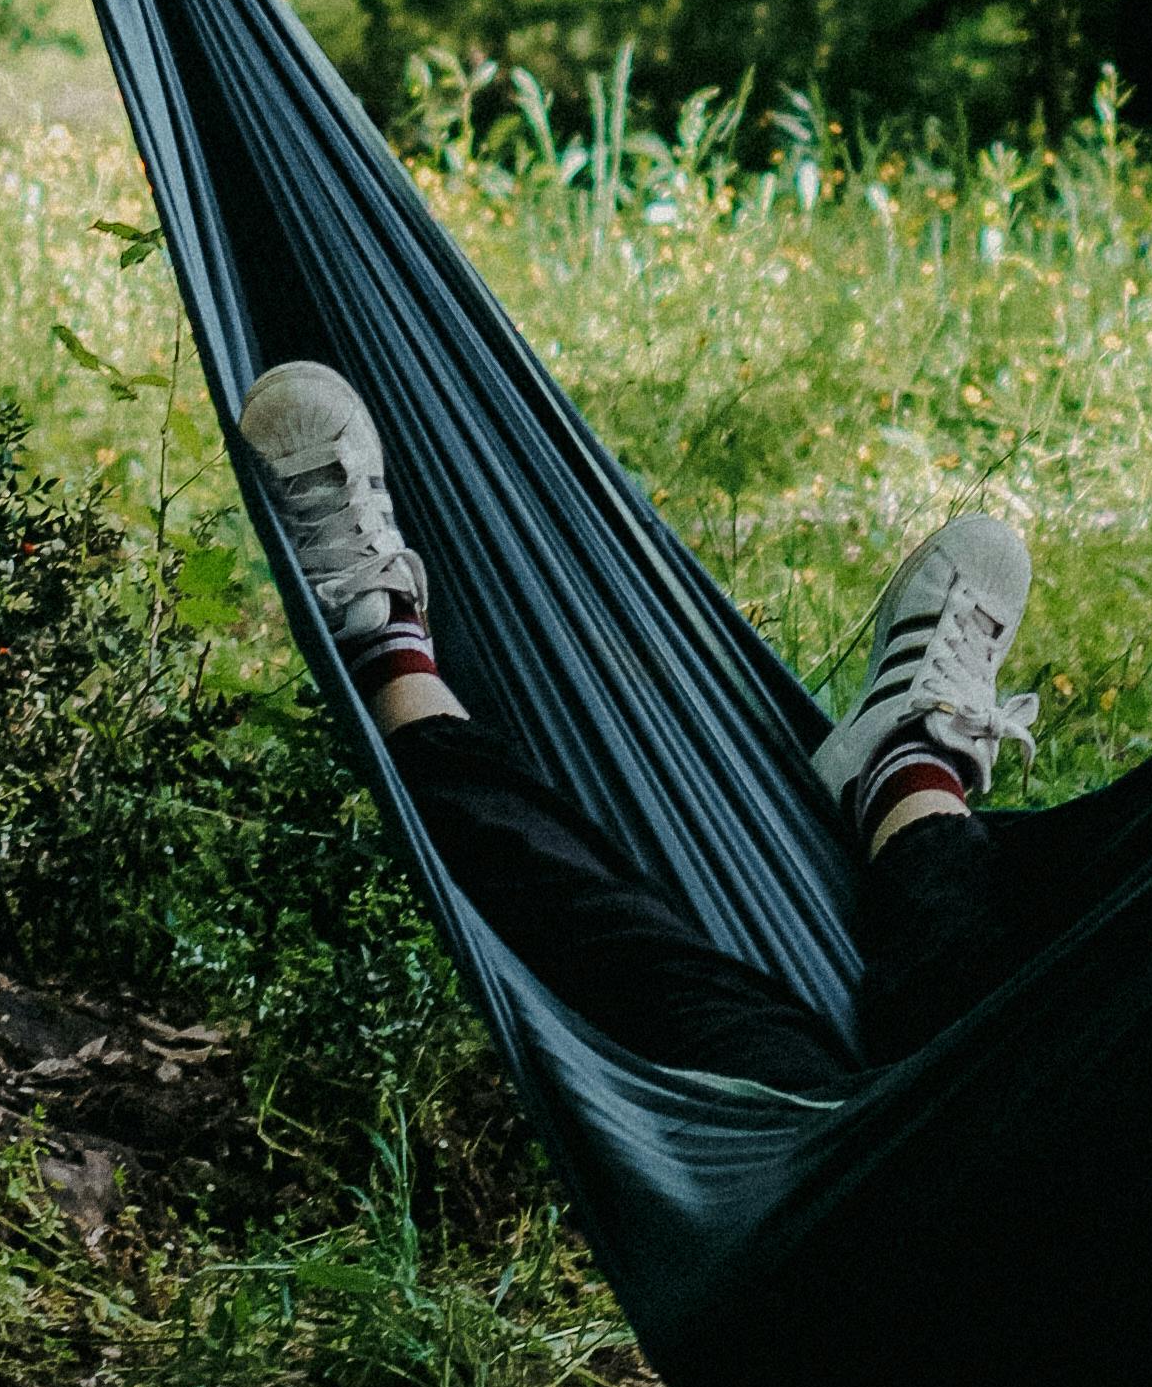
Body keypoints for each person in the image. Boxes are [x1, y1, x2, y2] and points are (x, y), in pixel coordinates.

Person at [236, 360, 1050, 1098]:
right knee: (991, 991)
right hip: (1030, 1109)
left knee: (661, 984)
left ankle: (384, 653)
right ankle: (904, 778)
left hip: (848, 1178)